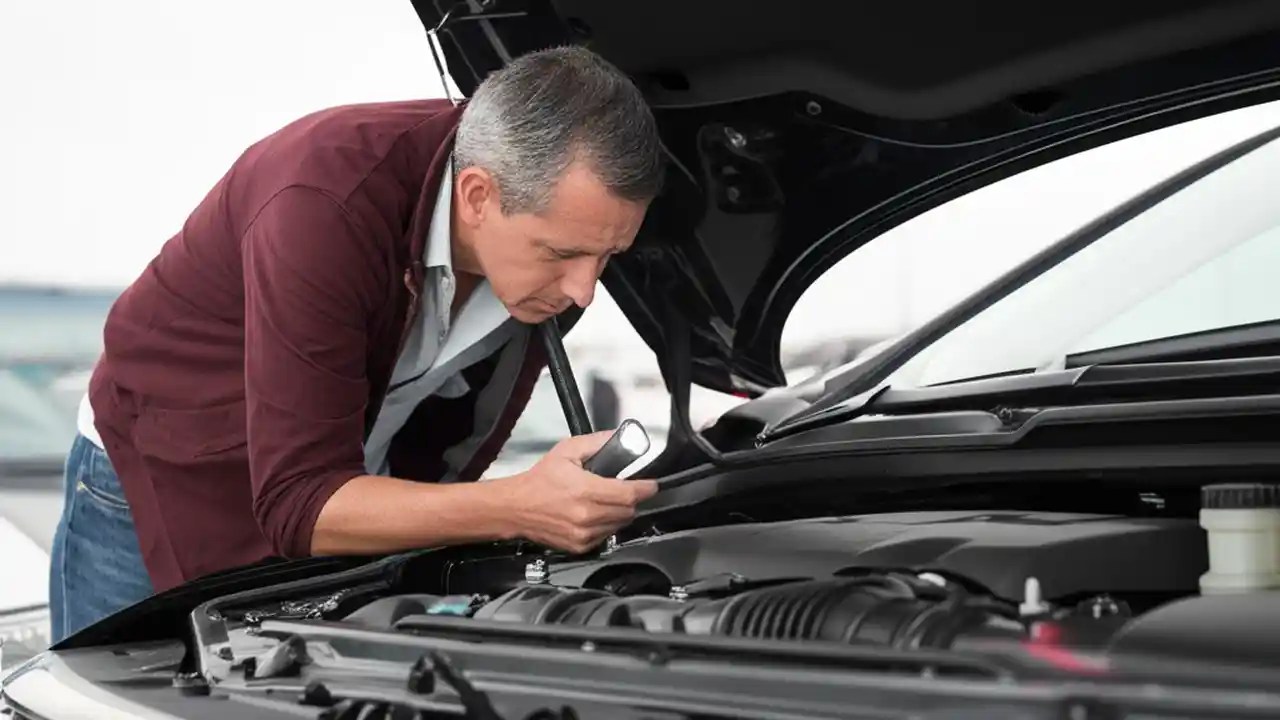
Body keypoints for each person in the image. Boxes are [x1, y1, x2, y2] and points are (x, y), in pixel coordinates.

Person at [49, 45, 665, 642]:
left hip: (341, 490)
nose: (585, 290)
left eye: (606, 256)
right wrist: (518, 505)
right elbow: (298, 502)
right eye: (561, 254)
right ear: (478, 196)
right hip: (159, 473)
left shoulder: (545, 247)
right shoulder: (321, 205)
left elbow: (430, 439)